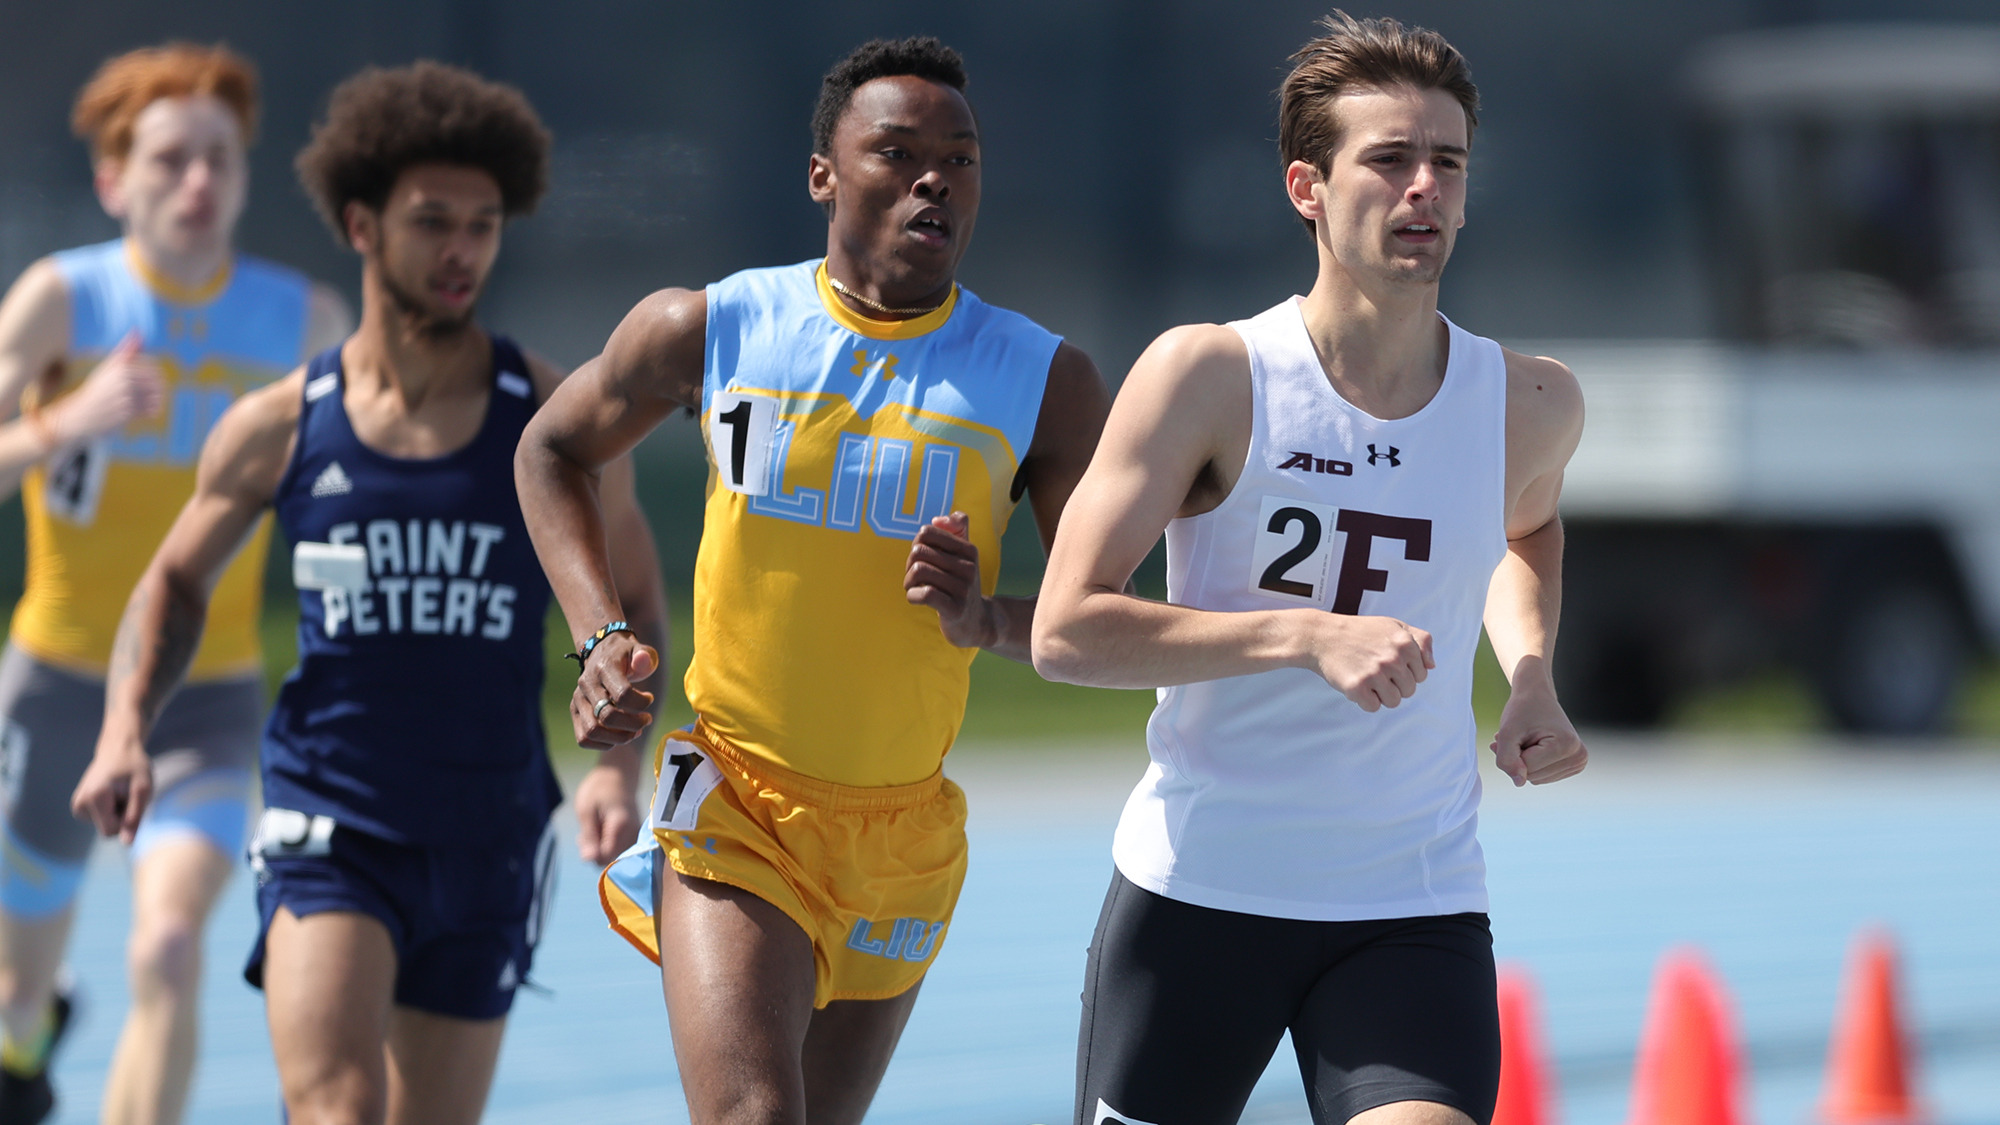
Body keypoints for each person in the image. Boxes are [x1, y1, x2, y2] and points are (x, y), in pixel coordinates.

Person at [515, 36, 1110, 1125]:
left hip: (899, 830)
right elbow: (550, 453)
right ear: (821, 174)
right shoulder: (711, 327)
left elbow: (1096, 628)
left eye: (960, 158)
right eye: (896, 151)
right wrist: (599, 638)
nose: (935, 177)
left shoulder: (1040, 379)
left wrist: (982, 617)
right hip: (737, 796)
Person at [71, 61, 665, 1125]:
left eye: (482, 225)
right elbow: (174, 576)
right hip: (328, 817)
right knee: (335, 1110)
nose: (461, 250)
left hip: (487, 828)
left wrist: (618, 766)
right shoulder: (282, 425)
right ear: (360, 225)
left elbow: (637, 598)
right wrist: (124, 731)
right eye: (432, 221)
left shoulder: (554, 424)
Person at [1032, 13, 1589, 1125]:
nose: (1421, 188)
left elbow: (1524, 533)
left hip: (1410, 902)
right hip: (1199, 896)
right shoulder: (1209, 375)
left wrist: (1528, 673)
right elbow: (1064, 632)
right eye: (1387, 160)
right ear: (1307, 187)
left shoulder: (1527, 403)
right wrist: (1303, 633)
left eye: (1446, 163)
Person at [0, 43, 349, 1125]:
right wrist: (66, 420)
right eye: (168, 161)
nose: (197, 183)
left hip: (199, 696)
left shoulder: (305, 323)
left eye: (219, 159)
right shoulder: (65, 299)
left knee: (168, 948)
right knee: (11, 1006)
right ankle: (29, 1031)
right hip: (56, 688)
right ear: (114, 181)